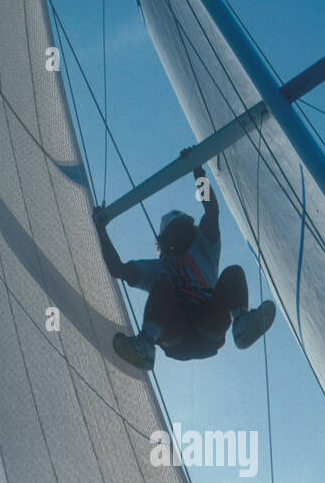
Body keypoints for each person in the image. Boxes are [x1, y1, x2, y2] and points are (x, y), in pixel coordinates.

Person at [94, 156, 275, 370]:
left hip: (208, 323)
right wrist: (101, 230)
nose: (181, 233)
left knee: (233, 273)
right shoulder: (157, 268)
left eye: (184, 228)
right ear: (165, 240)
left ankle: (242, 324)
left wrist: (198, 173)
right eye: (175, 230)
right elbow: (118, 269)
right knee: (161, 286)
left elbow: (211, 211)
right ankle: (145, 345)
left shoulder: (203, 247)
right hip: (176, 330)